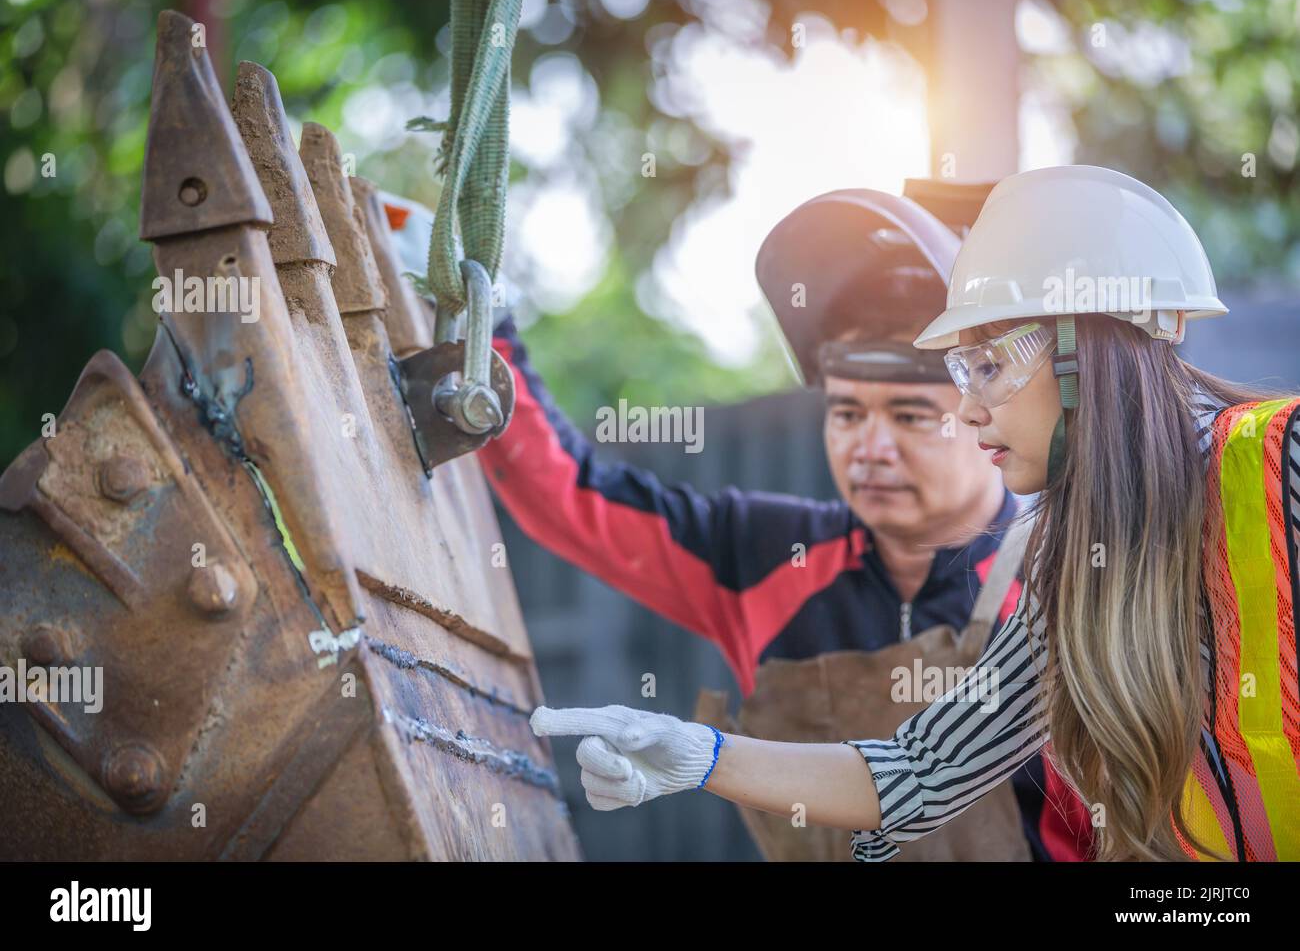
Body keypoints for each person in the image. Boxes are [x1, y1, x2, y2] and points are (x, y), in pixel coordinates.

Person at [530, 164, 1300, 862]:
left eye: (988, 367)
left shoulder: (1280, 460)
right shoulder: (1074, 571)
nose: (966, 409)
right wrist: (700, 756)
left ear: (1080, 351)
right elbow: (921, 774)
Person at [392, 182, 1094, 860]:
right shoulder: (761, 557)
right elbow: (571, 493)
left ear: (982, 411)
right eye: (847, 413)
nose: (869, 447)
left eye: (909, 416)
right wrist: (489, 324)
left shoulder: (1066, 584)